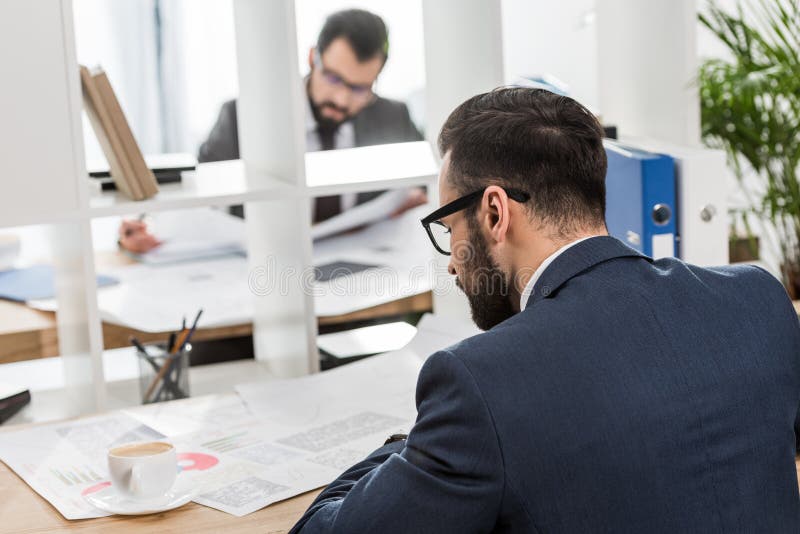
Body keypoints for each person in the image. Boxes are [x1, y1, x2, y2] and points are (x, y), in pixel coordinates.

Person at [289, 87, 800, 532]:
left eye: (449, 230)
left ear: (494, 211)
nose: (450, 267)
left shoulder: (480, 384)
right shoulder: (758, 299)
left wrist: (419, 438)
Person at [120, 8, 426, 253]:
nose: (342, 99)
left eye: (360, 88)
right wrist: (145, 223)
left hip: (357, 283)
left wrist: (417, 199)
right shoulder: (244, 117)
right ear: (312, 58)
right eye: (333, 79)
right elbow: (196, 197)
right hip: (260, 282)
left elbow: (427, 188)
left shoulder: (391, 117)